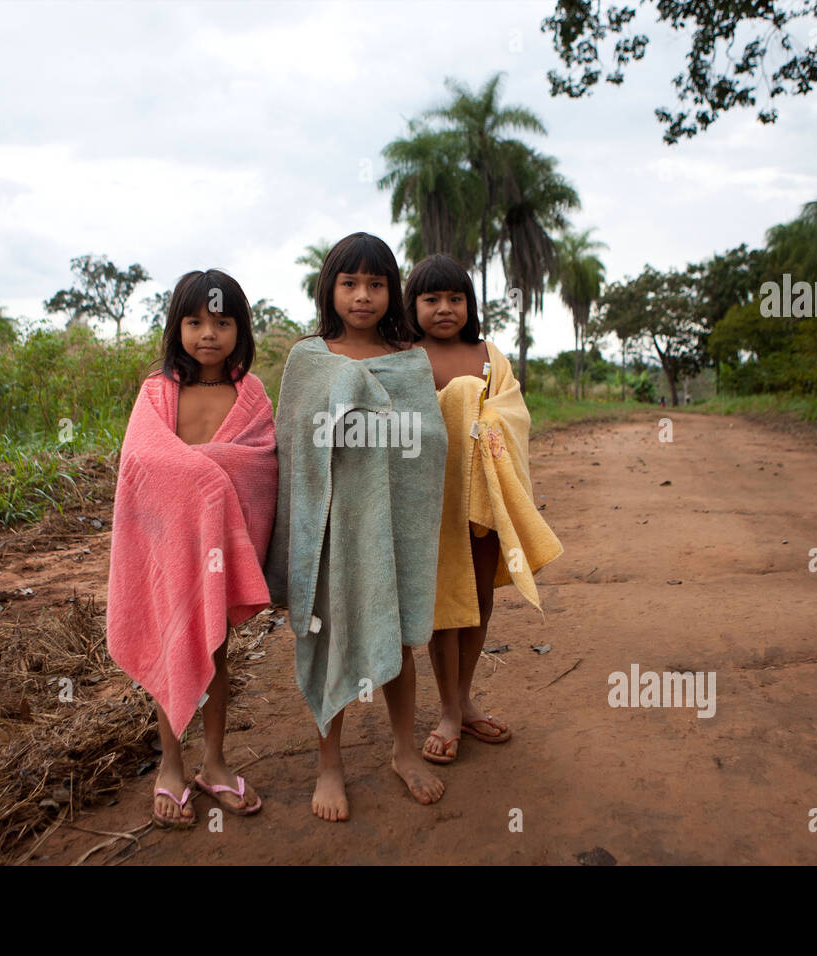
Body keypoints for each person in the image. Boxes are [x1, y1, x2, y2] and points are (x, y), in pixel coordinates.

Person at [265, 233, 447, 821]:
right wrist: (345, 401)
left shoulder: (409, 360)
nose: (363, 296)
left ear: (392, 291)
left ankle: (402, 750)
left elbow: (428, 443)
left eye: (376, 284)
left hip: (388, 528)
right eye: (350, 283)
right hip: (332, 530)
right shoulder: (308, 360)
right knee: (330, 637)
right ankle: (329, 764)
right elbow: (294, 447)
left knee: (398, 637)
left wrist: (375, 417)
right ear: (330, 289)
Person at [106, 268, 277, 828]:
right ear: (176, 326)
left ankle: (216, 761)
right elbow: (142, 464)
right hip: (170, 547)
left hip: (218, 552)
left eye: (223, 322)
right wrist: (201, 477)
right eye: (195, 321)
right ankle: (171, 766)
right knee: (173, 647)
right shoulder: (157, 391)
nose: (209, 333)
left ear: (240, 330)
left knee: (215, 654)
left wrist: (205, 474)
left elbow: (257, 466)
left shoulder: (249, 394)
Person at [405, 254, 564, 764]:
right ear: (412, 305)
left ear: (471, 305)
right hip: (432, 503)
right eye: (431, 299)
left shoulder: (491, 356)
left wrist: (476, 408)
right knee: (443, 609)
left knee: (476, 600)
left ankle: (466, 697)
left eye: (456, 298)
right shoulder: (406, 356)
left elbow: (513, 417)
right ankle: (448, 710)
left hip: (483, 500)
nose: (444, 308)